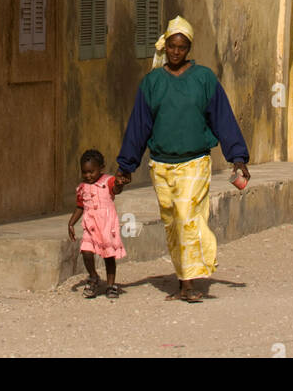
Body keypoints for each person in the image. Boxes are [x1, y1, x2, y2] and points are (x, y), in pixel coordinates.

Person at [114, 15, 249, 303]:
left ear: (189, 48)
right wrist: (126, 168)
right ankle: (183, 278)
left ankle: (192, 282)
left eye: (182, 47)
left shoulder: (203, 79)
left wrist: (237, 156)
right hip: (161, 166)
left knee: (187, 217)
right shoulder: (152, 82)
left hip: (195, 162)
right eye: (173, 47)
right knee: (173, 223)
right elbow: (139, 127)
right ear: (166, 47)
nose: (176, 52)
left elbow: (223, 119)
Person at [68, 148, 127, 298]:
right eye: (84, 172)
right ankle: (93, 276)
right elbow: (80, 206)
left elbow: (116, 189)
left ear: (101, 168)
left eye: (91, 172)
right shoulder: (82, 188)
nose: (88, 175)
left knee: (108, 256)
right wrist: (71, 223)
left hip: (106, 225)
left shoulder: (108, 181)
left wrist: (120, 184)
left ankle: (111, 285)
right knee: (86, 252)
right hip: (91, 225)